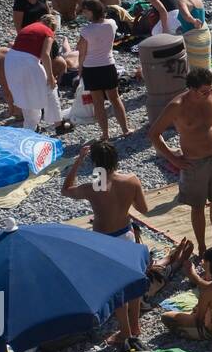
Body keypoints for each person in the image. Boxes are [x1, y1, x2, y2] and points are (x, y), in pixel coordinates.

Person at [149, 67, 212, 254]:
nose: (208, 93)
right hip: (193, 162)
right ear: (192, 89)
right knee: (198, 206)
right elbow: (154, 133)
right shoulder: (177, 105)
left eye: (209, 89)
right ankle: (202, 246)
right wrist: (171, 157)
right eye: (203, 91)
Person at [62, 141, 148, 340]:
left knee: (117, 289)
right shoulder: (131, 180)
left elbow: (65, 190)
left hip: (105, 242)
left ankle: (125, 332)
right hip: (127, 235)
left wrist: (78, 161)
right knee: (133, 283)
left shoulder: (93, 187)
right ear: (116, 159)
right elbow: (143, 209)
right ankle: (135, 326)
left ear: (94, 163)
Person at [5, 13, 67, 134]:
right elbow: (45, 55)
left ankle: (31, 128)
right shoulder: (48, 32)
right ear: (52, 27)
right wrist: (50, 77)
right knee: (50, 88)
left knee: (26, 93)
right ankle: (59, 124)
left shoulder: (27, 28)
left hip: (11, 61)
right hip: (28, 63)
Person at [76, 0, 128, 139]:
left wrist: (80, 70)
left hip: (91, 68)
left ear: (91, 11)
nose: (84, 14)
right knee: (115, 99)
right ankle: (125, 129)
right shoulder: (111, 23)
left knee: (98, 102)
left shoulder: (86, 30)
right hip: (108, 65)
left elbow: (81, 51)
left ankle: (105, 133)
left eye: (85, 11)